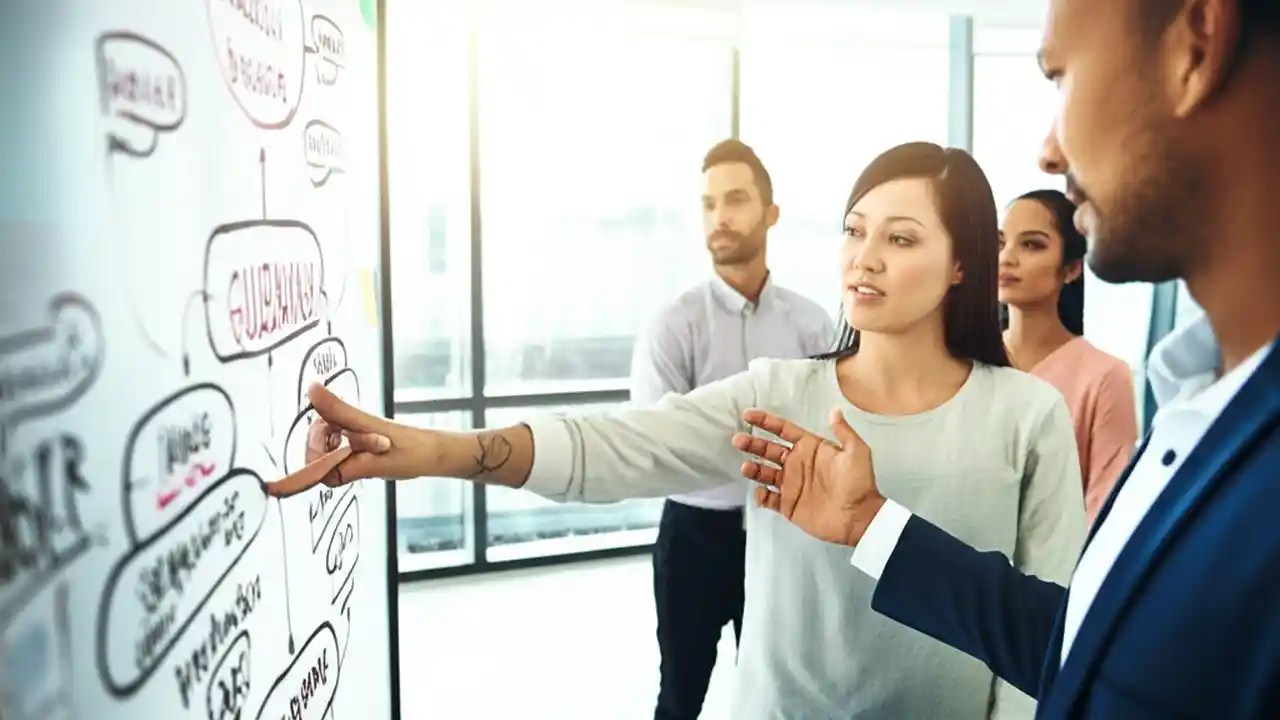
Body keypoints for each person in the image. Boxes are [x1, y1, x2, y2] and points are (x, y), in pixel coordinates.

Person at [272, 142, 1086, 718]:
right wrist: (437, 451)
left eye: (900, 238)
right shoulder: (780, 393)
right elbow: (621, 445)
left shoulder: (1028, 416)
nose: (863, 257)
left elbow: (1047, 628)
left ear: (961, 264)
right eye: (855, 228)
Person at [734, 1, 1280, 717]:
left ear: (1197, 46)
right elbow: (1091, 649)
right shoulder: (1196, 399)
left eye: (1061, 76)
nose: (1050, 152)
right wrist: (871, 522)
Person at [634, 139, 833, 720]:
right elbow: (655, 440)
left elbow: (829, 432)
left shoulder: (810, 323)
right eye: (708, 203)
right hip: (694, 535)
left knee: (779, 693)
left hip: (784, 533)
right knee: (680, 694)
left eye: (737, 199)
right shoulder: (674, 324)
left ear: (770, 213)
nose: (720, 216)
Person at [999, 189, 1138, 524]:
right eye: (1000, 242)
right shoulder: (965, 361)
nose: (1006, 257)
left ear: (1072, 269)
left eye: (1031, 244)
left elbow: (1105, 508)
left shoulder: (1105, 377)